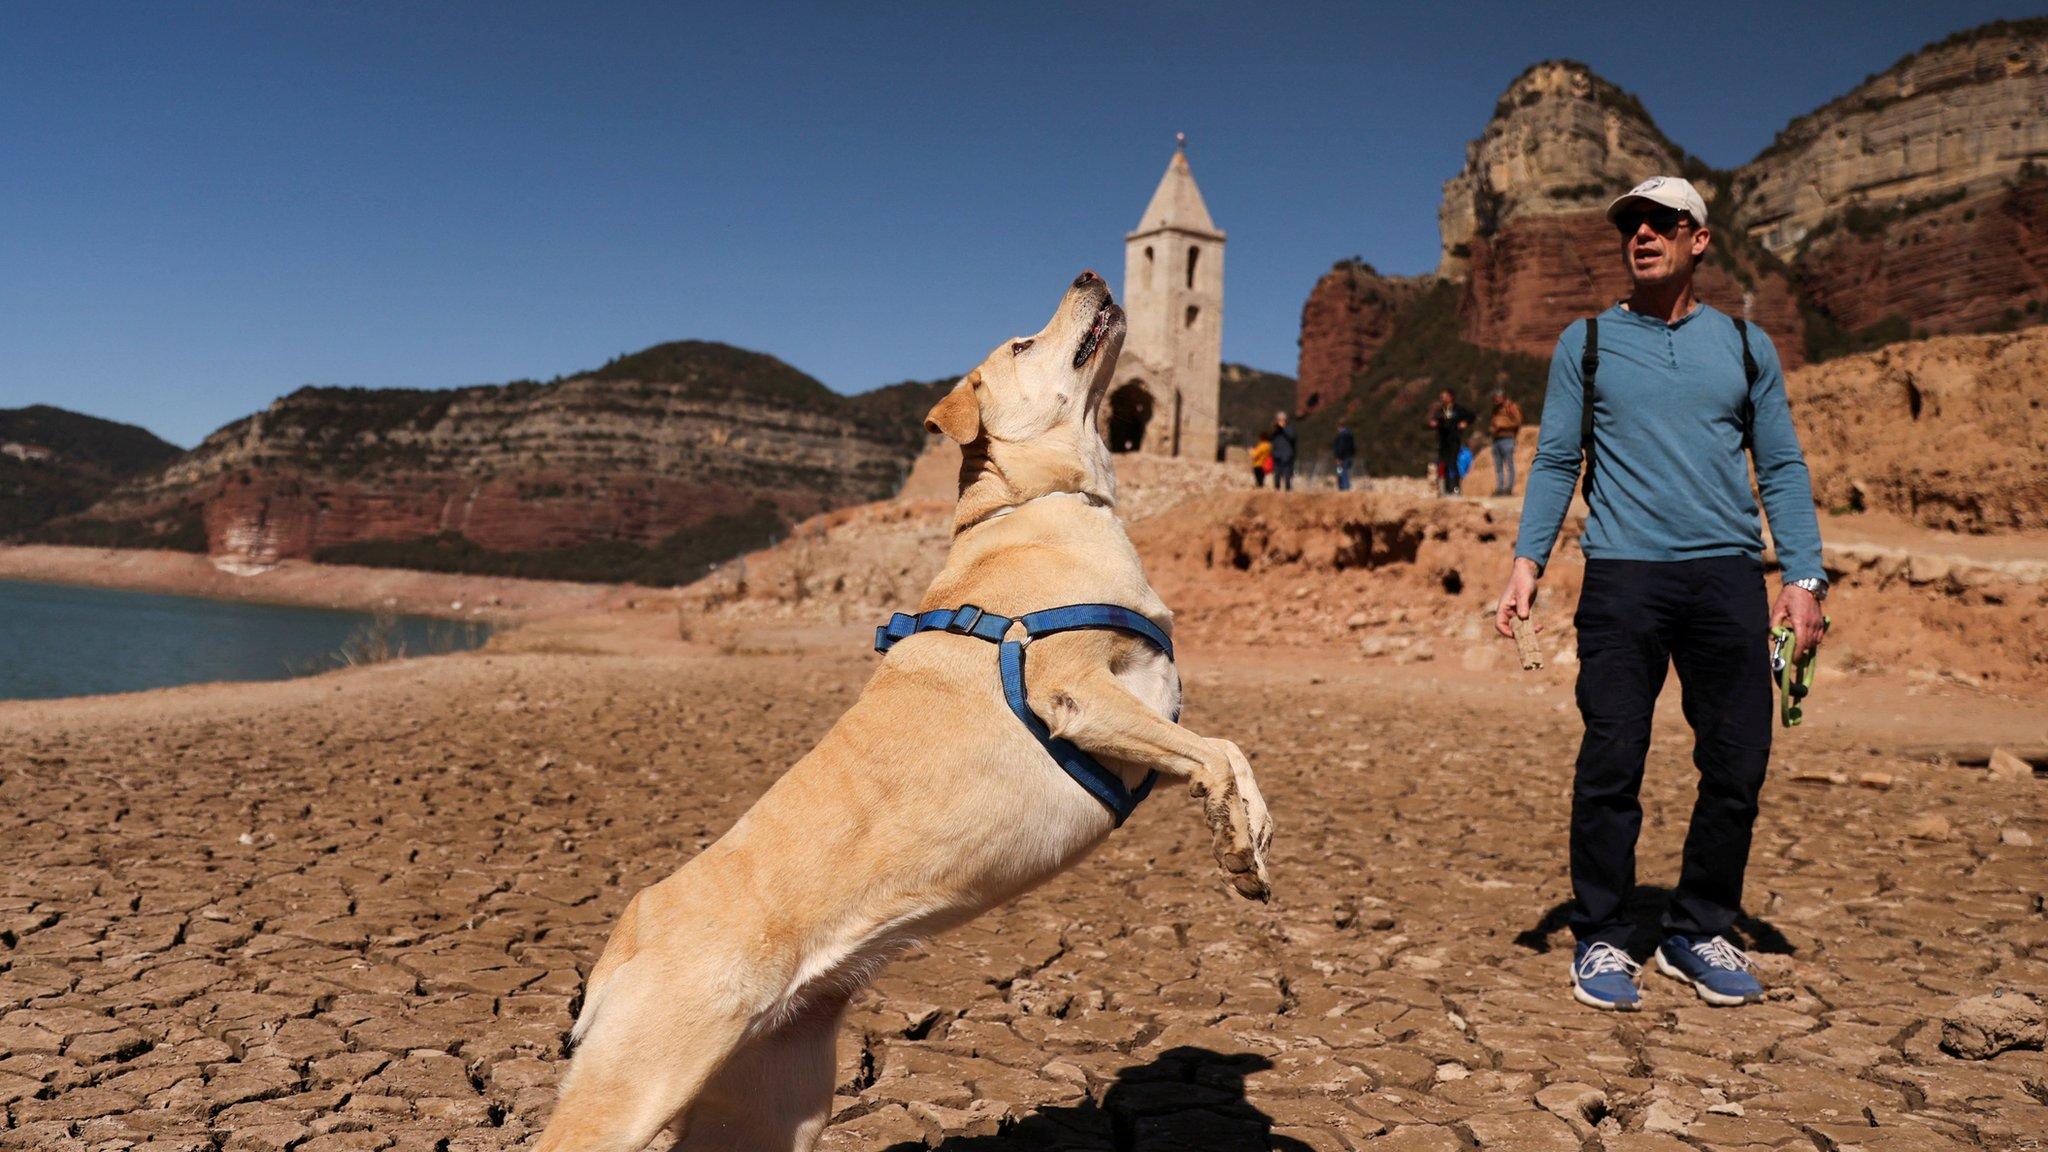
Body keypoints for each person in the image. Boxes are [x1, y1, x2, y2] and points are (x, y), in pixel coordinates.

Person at [1492, 176, 1829, 1012]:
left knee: (1738, 763)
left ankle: (1696, 928)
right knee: (1611, 760)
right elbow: (1557, 461)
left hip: (1727, 576)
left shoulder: (1748, 346)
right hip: (1623, 576)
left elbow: (1781, 466)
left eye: (1661, 223)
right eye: (1630, 225)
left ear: (1698, 239)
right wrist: (1526, 564)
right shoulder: (1590, 342)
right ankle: (1604, 935)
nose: (1641, 234)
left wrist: (1804, 577)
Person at [1427, 390, 1473, 495]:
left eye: (1445, 396)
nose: (1442, 398)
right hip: (1443, 441)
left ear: (1451, 397)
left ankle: (1456, 488)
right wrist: (1433, 424)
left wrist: (1464, 423)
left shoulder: (1458, 409)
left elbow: (1471, 416)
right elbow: (1432, 421)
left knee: (1453, 463)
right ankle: (1447, 488)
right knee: (1444, 464)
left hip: (1454, 440)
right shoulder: (1440, 410)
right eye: (1441, 396)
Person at [1489, 388, 1524, 495]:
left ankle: (1509, 488)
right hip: (1496, 439)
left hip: (1507, 438)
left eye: (1497, 397)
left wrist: (1502, 425)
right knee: (1498, 465)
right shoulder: (1495, 410)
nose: (1495, 399)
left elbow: (1518, 421)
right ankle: (1499, 488)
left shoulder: (1511, 407)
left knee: (1509, 464)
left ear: (1502, 397)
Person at [1268, 412, 1297, 492]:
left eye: (1282, 419)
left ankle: (1288, 490)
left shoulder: (1290, 428)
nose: (1280, 421)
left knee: (1287, 474)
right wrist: (1275, 428)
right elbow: (1270, 438)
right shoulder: (1275, 430)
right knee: (1276, 474)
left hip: (1287, 455)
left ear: (1285, 420)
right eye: (1278, 419)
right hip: (1276, 455)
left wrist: (1283, 428)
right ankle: (1277, 489)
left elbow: (1292, 438)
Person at [1332, 423, 1357, 491]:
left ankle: (1344, 487)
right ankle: (1345, 486)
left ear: (1340, 427)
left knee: (1341, 471)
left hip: (1342, 457)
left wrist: (1339, 457)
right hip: (1349, 456)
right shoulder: (1350, 435)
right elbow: (1353, 447)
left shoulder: (1342, 436)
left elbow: (1341, 447)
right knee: (1345, 471)